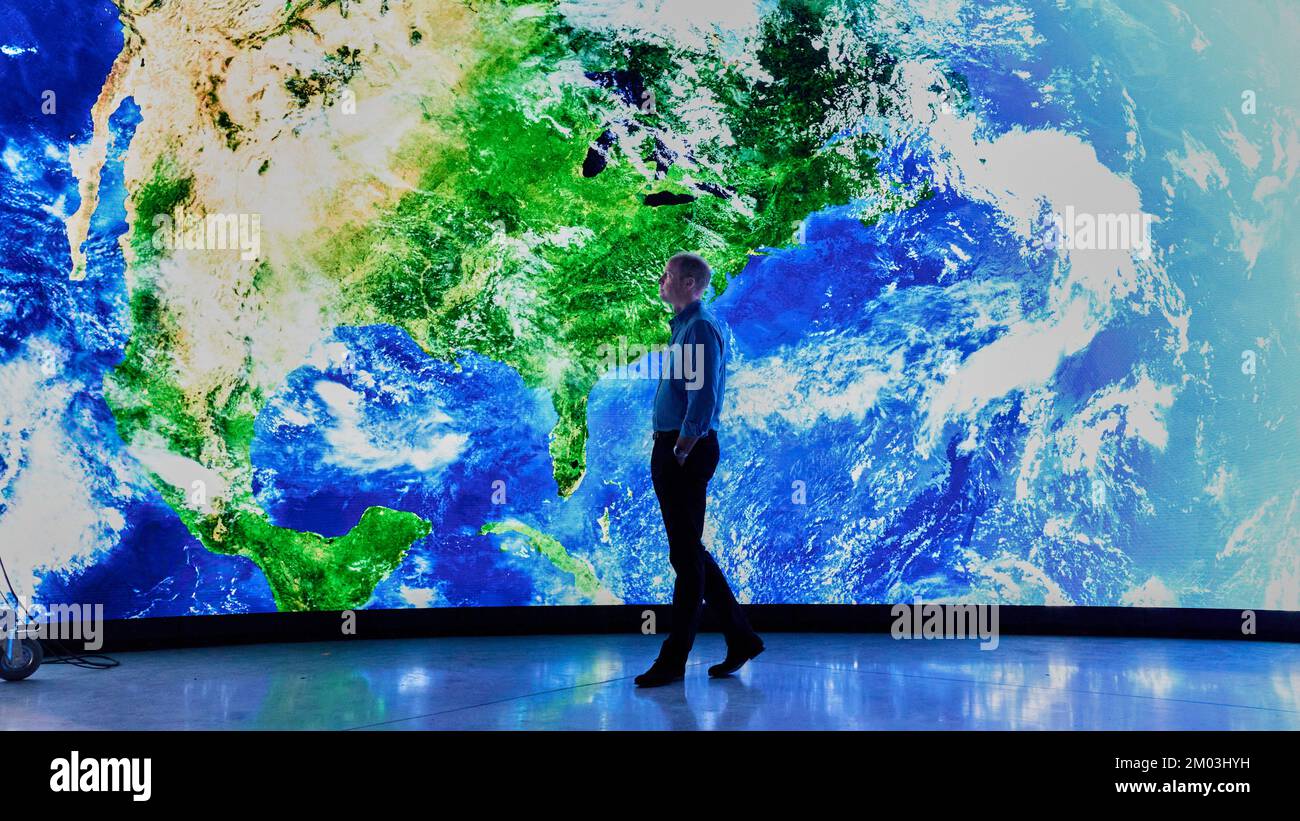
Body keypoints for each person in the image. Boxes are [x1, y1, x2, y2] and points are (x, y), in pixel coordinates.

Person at [634, 252, 764, 688]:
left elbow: (703, 398)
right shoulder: (685, 327)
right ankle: (741, 638)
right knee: (687, 555)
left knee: (687, 559)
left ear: (690, 284)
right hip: (677, 448)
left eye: (668, 274)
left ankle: (674, 661)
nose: (661, 279)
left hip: (683, 450)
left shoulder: (700, 329)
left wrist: (682, 448)